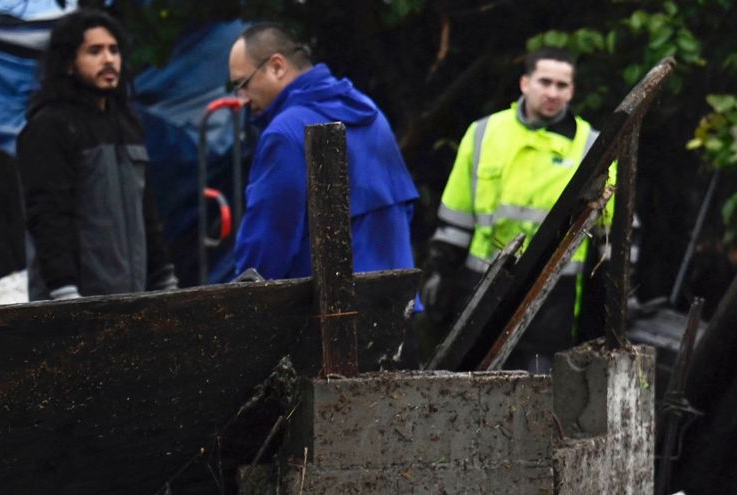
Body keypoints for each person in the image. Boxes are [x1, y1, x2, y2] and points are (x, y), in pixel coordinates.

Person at [427, 47, 612, 372]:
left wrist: (612, 298)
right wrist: (440, 272)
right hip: (482, 287)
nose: (553, 92)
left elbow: (608, 234)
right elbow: (456, 216)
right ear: (525, 83)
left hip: (554, 298)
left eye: (562, 85)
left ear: (572, 90)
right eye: (545, 82)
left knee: (533, 398)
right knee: (471, 393)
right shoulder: (484, 133)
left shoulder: (592, 146)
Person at [226, 23, 415, 282]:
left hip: (327, 314)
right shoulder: (370, 112)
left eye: (242, 84)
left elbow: (265, 251)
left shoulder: (284, 133)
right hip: (394, 303)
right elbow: (403, 210)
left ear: (277, 67)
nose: (241, 99)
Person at [16, 10, 176, 302]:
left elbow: (146, 211)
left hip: (131, 299)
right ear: (68, 63)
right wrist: (64, 292)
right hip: (71, 303)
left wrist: (164, 277)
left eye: (114, 50)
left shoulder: (126, 124)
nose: (109, 59)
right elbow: (48, 215)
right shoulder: (49, 126)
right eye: (95, 51)